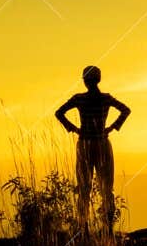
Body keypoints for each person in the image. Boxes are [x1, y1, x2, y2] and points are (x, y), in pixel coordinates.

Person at [55, 65, 131, 226]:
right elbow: (125, 110)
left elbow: (59, 113)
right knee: (106, 187)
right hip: (103, 143)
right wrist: (112, 127)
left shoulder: (79, 98)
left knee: (84, 187)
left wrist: (74, 129)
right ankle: (108, 227)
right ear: (99, 79)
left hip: (84, 144)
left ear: (85, 81)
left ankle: (84, 226)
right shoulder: (106, 98)